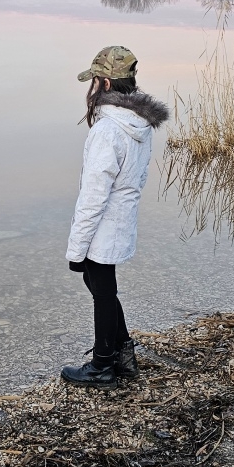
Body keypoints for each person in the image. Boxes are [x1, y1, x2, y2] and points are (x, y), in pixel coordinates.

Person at [62, 46, 169, 390]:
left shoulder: (108, 130)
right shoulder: (138, 124)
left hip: (103, 226)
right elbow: (133, 180)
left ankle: (101, 366)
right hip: (122, 220)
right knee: (100, 286)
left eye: (94, 80)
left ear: (105, 82)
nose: (90, 87)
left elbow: (93, 197)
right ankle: (123, 354)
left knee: (102, 291)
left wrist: (76, 249)